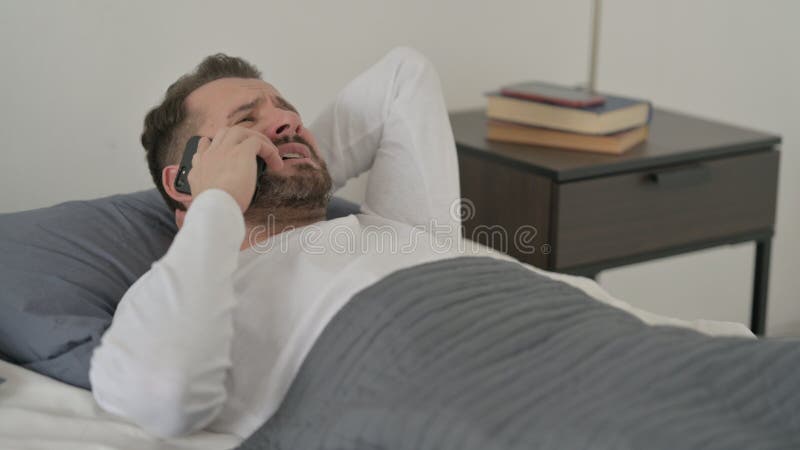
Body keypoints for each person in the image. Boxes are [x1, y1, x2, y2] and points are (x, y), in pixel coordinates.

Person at [89, 47, 751, 440]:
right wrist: (218, 202)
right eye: (247, 120)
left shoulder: (399, 230)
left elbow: (403, 77)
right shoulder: (179, 294)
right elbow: (161, 395)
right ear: (186, 179)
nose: (285, 118)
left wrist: (286, 152)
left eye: (284, 107)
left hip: (619, 354)